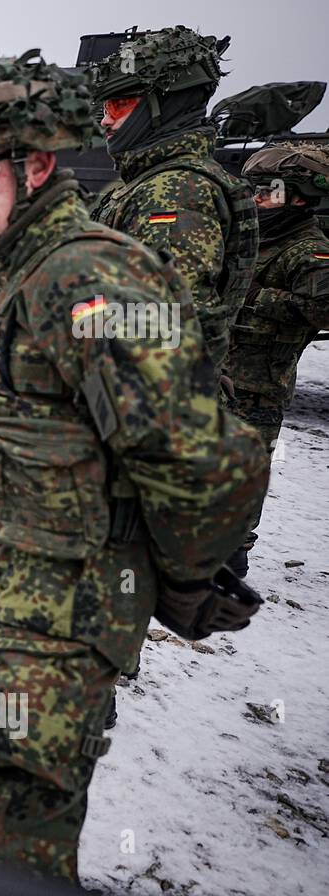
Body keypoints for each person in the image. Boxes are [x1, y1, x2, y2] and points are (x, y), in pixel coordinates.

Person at [0, 52, 269, 883]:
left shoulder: (88, 278)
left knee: (19, 855)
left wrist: (183, 583)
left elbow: (210, 461)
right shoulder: (23, 270)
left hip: (61, 621)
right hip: (9, 571)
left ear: (38, 164)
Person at [89, 26, 258, 378]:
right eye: (105, 106)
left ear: (162, 106)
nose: (105, 120)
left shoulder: (175, 191)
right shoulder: (150, 183)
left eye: (119, 105)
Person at [221, 143, 329, 576]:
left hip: (259, 386)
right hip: (217, 372)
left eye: (270, 192)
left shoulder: (310, 250)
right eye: (256, 191)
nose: (258, 199)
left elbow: (321, 306)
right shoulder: (252, 238)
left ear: (300, 197)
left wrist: (248, 297)